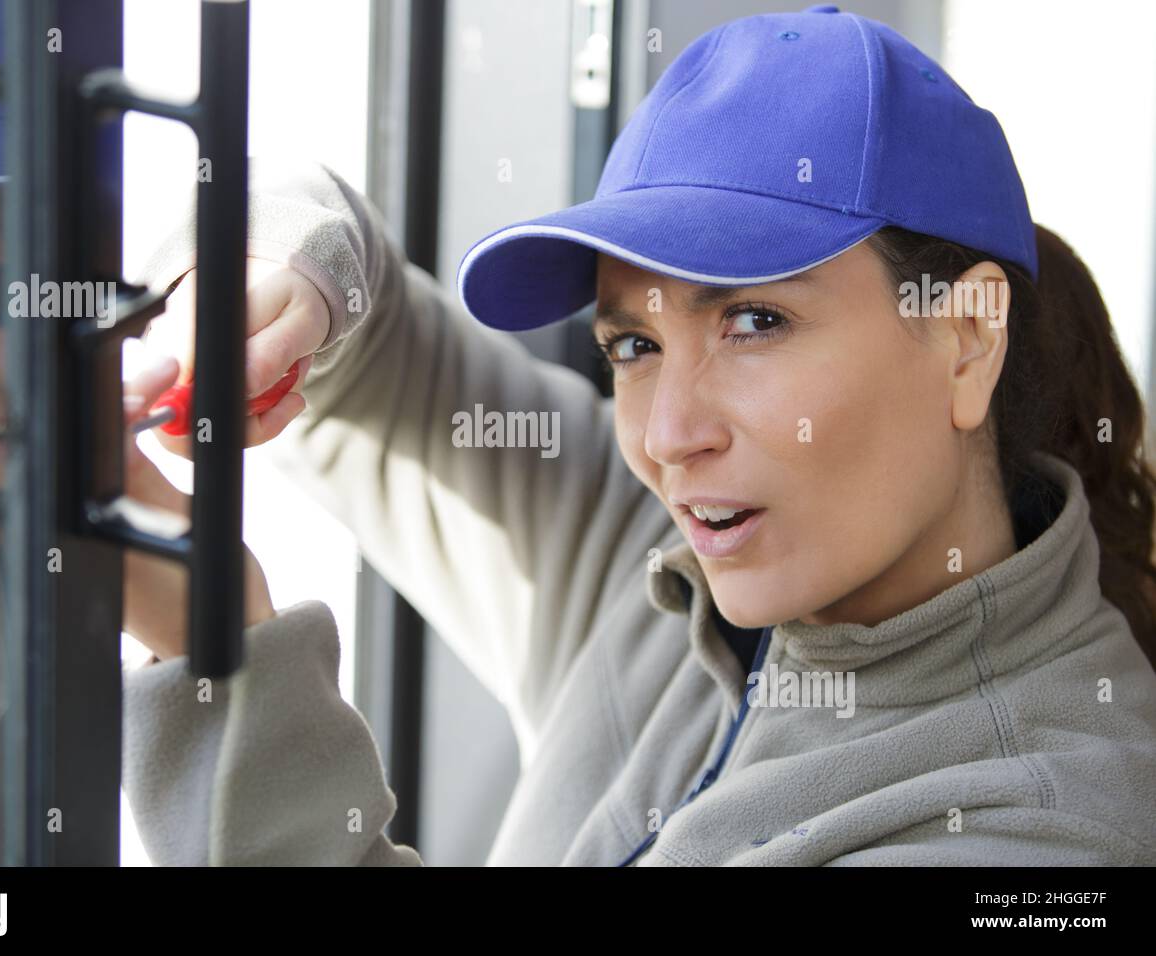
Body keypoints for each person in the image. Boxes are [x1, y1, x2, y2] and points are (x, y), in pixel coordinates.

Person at [121, 6, 1156, 865]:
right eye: (630, 343)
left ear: (965, 337)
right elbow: (354, 298)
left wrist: (222, 657)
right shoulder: (654, 570)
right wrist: (277, 286)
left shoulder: (1053, 833)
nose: (667, 434)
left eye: (753, 320)